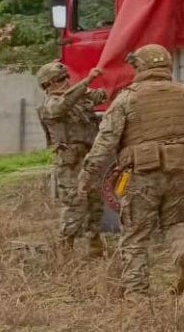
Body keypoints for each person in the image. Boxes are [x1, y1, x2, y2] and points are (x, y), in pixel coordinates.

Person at [79, 45, 184, 297]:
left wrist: (88, 173)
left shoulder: (127, 97)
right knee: (177, 222)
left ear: (140, 67)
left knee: (136, 234)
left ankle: (137, 294)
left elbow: (106, 140)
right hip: (181, 171)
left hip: (143, 174)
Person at [36, 61, 107, 257]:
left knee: (95, 202)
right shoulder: (50, 105)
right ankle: (64, 247)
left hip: (89, 158)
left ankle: (95, 244)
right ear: (48, 85)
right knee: (76, 204)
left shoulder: (79, 98)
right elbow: (63, 105)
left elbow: (103, 94)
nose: (66, 81)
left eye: (66, 77)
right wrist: (87, 81)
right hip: (70, 163)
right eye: (59, 79)